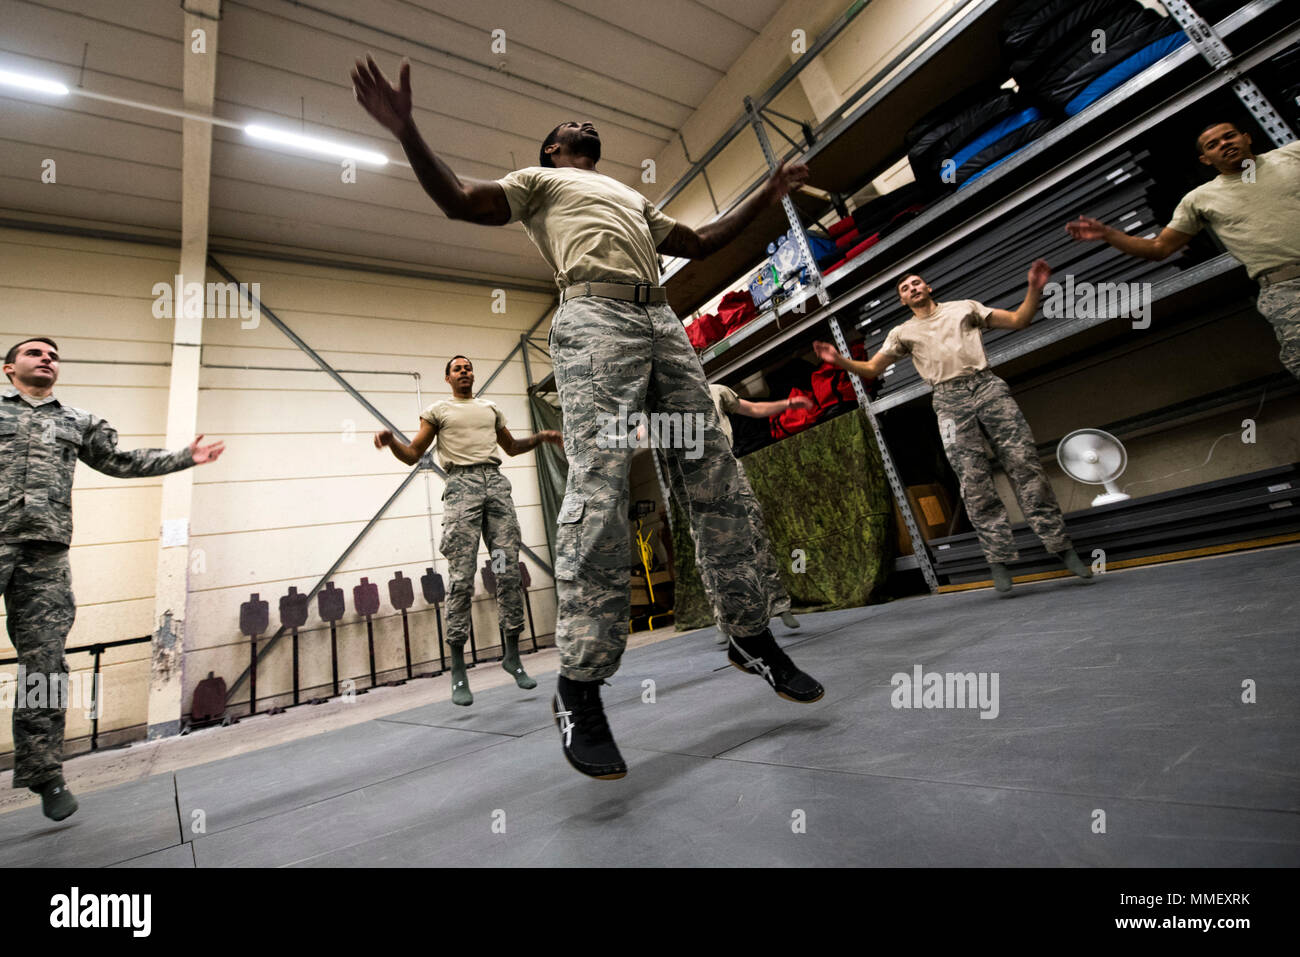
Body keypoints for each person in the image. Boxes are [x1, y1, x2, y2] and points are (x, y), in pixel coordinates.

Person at [352, 55, 824, 781]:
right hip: (594, 318)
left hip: (662, 320)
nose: (582, 124)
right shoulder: (541, 183)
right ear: (551, 148)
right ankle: (579, 686)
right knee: (599, 488)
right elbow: (458, 200)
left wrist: (769, 190)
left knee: (715, 474)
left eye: (585, 123)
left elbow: (700, 241)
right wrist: (407, 128)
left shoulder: (627, 195)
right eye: (569, 125)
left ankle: (751, 632)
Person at [1, 337, 224, 821]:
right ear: (8, 368)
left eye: (53, 355)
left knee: (46, 664)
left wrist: (185, 457)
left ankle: (45, 774)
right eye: (36, 353)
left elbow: (121, 462)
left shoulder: (76, 420)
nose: (47, 359)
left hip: (44, 553)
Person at [813, 261, 1093, 594]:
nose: (912, 288)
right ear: (903, 300)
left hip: (986, 387)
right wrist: (839, 361)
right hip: (948, 400)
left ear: (928, 287)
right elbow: (872, 369)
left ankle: (1061, 547)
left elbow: (1020, 320)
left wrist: (1034, 287)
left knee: (1025, 465)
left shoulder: (964, 308)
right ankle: (998, 559)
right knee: (973, 479)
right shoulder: (902, 333)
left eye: (916, 283)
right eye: (905, 288)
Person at [375, 354, 560, 706]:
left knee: (507, 571)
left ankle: (512, 655)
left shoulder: (490, 408)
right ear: (447, 378)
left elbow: (512, 447)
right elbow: (414, 453)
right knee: (461, 577)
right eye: (457, 369)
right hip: (462, 489)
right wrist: (390, 443)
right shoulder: (438, 410)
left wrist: (543, 437)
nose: (464, 372)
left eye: (468, 367)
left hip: (496, 487)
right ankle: (458, 668)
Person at [1066, 121, 1300, 378]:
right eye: (1213, 145)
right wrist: (1109, 234)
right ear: (1205, 159)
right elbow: (1159, 248)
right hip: (1287, 292)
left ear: (1246, 137)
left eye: (1229, 136)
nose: (1224, 144)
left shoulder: (1292, 155)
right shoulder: (1199, 200)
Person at [662, 385, 812, 643]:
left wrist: (786, 405)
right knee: (707, 552)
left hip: (729, 469)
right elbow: (638, 433)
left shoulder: (716, 390)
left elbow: (752, 409)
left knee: (755, 537)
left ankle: (779, 605)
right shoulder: (661, 402)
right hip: (694, 480)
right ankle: (724, 618)